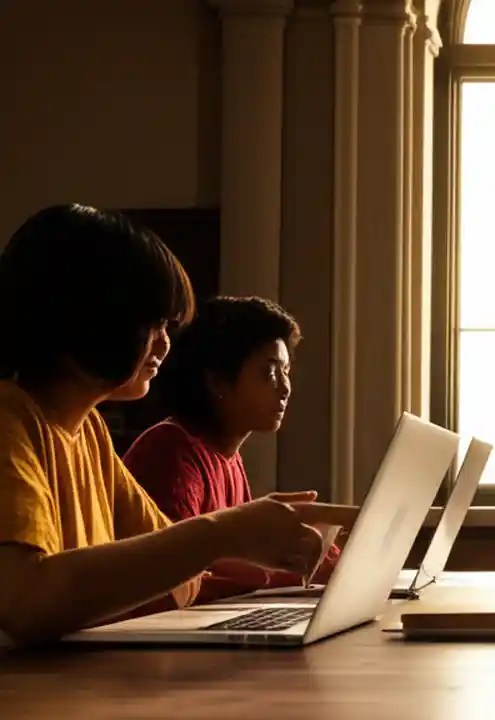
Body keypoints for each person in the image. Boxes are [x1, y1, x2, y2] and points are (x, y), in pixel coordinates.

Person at [0, 204, 351, 646]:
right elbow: (25, 600)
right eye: (151, 323)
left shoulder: (88, 432)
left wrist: (243, 531)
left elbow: (181, 574)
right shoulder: (9, 420)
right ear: (86, 315)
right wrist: (224, 533)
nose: (165, 343)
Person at [123, 296, 339, 595]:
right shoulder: (170, 451)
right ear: (218, 382)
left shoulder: (227, 456)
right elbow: (175, 581)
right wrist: (297, 572)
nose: (285, 388)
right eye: (269, 372)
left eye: (286, 371)